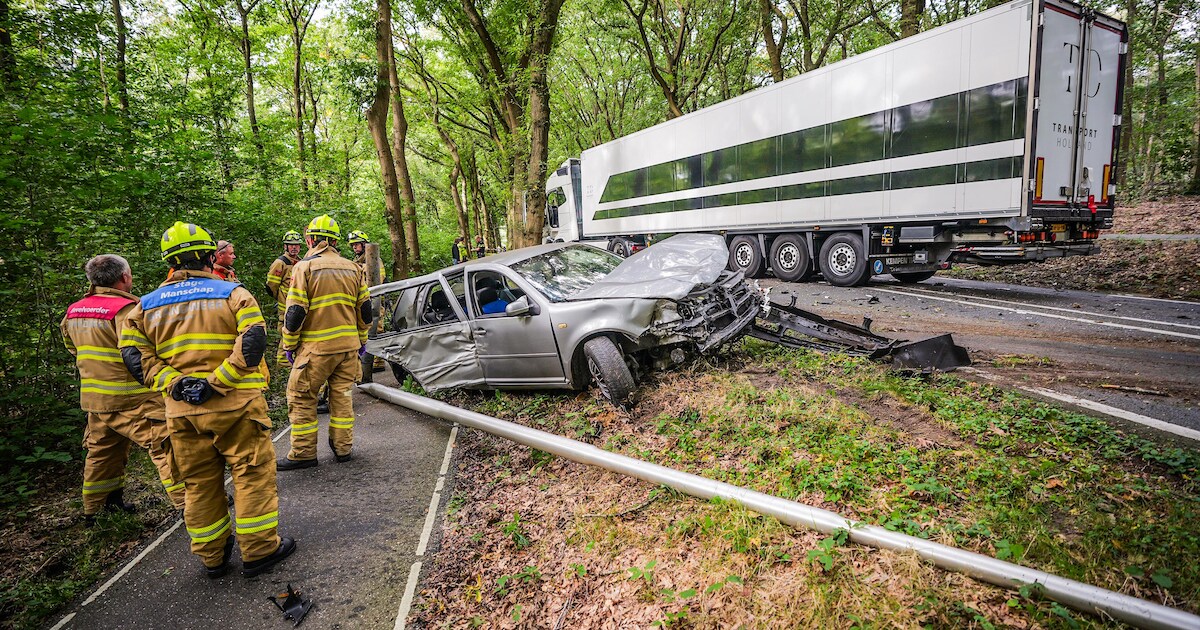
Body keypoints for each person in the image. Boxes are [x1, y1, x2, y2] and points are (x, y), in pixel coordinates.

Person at [121, 221, 295, 579]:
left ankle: (212, 556)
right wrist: (217, 383)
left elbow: (134, 358)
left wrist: (177, 384)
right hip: (237, 407)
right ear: (208, 256)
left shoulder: (143, 307)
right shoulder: (233, 294)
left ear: (169, 260)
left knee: (198, 483)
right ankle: (260, 550)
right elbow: (253, 341)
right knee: (250, 475)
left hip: (182, 412)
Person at [61, 255, 186, 524]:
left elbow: (73, 348)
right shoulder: (127, 309)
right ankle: (191, 503)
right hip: (135, 398)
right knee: (166, 446)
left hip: (95, 399)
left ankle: (97, 510)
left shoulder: (73, 311)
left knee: (102, 453)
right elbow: (142, 351)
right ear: (125, 278)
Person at [278, 215, 371, 470]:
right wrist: (361, 339)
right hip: (348, 348)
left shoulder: (303, 268)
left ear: (311, 239)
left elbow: (295, 312)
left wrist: (289, 344)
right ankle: (343, 449)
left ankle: (304, 453)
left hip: (315, 350)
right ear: (333, 241)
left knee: (301, 397)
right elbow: (365, 309)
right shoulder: (353, 267)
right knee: (341, 396)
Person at [266, 231, 304, 368]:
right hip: (285, 308)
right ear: (285, 247)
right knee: (285, 336)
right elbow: (271, 286)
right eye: (291, 245)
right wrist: (282, 298)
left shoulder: (300, 262)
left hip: (298, 307)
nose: (294, 248)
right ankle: (283, 367)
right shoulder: (280, 263)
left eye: (297, 245)